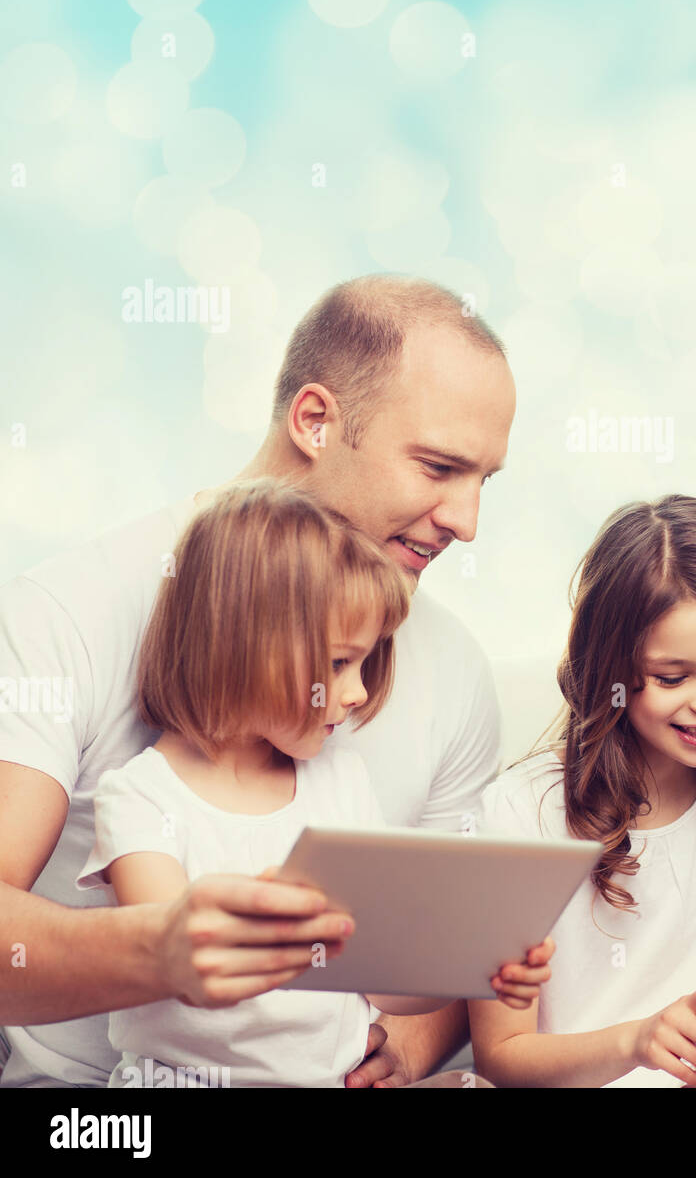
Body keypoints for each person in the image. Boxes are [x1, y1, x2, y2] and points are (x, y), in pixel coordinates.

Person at [0, 275, 524, 1088]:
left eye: (483, 480)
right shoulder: (69, 611)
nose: (466, 521)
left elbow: (435, 952)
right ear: (314, 420)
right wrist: (163, 949)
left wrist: (405, 1046)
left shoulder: (453, 670)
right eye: (437, 467)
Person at [75, 479, 545, 1087]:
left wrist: (477, 970)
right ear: (241, 645)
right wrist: (283, 922)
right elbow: (182, 968)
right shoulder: (140, 798)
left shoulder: (341, 784)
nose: (357, 692)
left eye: (365, 662)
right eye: (339, 663)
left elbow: (385, 983)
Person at [469, 495, 696, 1087]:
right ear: (609, 669)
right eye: (672, 677)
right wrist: (635, 1043)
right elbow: (503, 1053)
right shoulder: (519, 814)